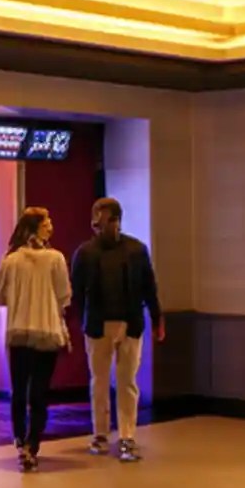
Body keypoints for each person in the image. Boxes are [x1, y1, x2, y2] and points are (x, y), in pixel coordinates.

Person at [71, 197, 163, 463]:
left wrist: (157, 319)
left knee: (127, 382)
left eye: (105, 221)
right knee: (99, 382)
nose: (99, 227)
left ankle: (127, 436)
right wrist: (79, 323)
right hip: (98, 326)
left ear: (117, 221)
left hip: (130, 323)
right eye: (96, 222)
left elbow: (149, 287)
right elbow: (76, 293)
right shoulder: (85, 253)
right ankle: (100, 434)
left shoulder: (137, 251)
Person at [0, 207, 71, 472]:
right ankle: (32, 444)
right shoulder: (56, 259)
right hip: (47, 333)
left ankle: (19, 440)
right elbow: (63, 297)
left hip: (19, 332)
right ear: (37, 227)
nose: (51, 225)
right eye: (47, 222)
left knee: (19, 391)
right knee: (39, 393)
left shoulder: (11, 261)